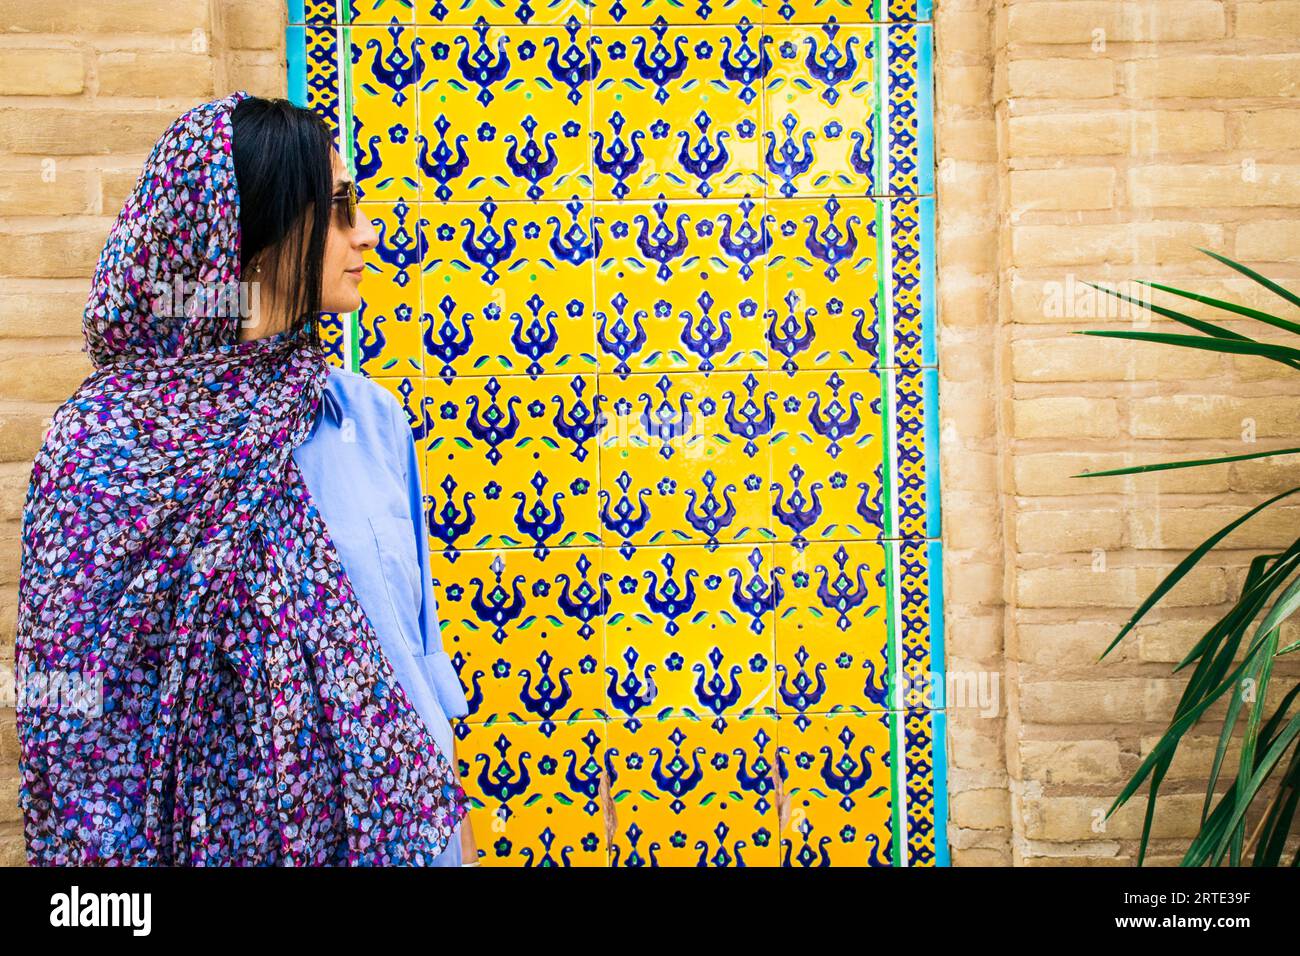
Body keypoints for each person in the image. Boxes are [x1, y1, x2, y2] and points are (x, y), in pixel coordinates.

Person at [14, 91, 474, 866]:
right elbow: (67, 722)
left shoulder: (362, 420)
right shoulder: (101, 452)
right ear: (250, 238)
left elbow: (419, 678)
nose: (365, 232)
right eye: (336, 209)